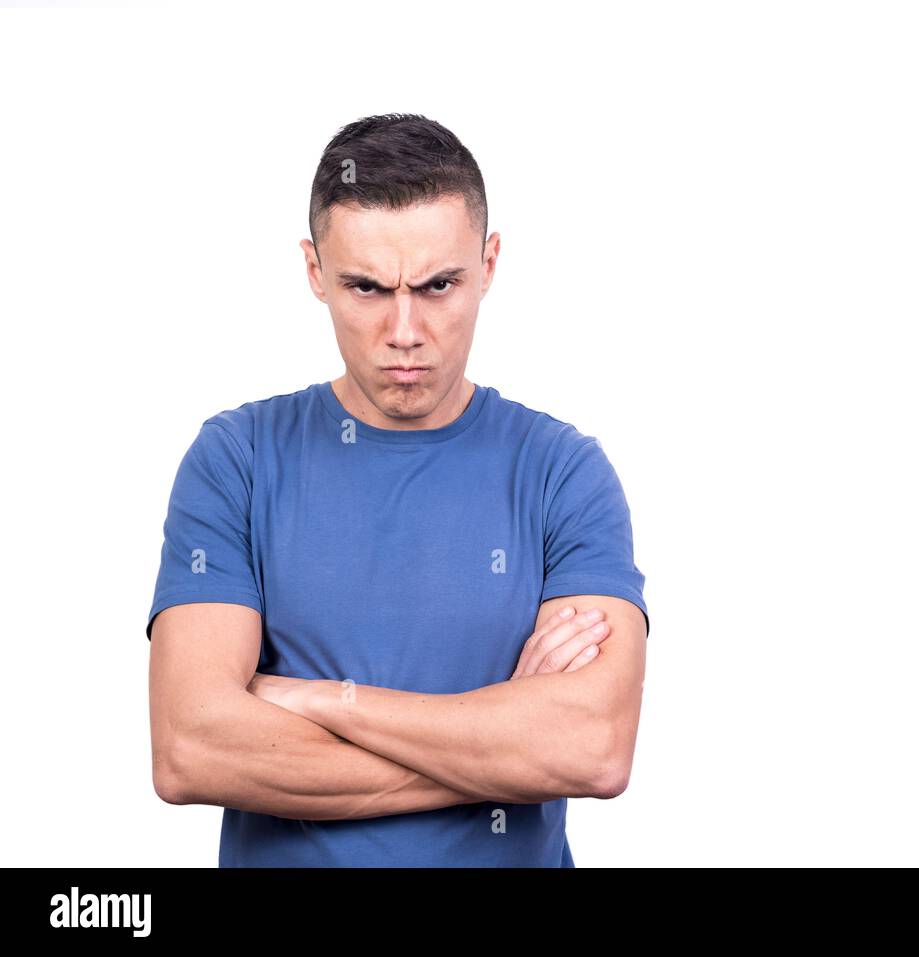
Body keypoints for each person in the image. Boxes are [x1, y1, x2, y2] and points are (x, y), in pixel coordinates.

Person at [145, 113, 649, 867]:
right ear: (315, 271)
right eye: (367, 287)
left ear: (490, 263)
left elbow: (592, 747)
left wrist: (317, 699)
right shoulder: (237, 459)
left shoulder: (562, 471)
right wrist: (497, 746)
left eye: (439, 284)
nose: (405, 330)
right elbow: (190, 749)